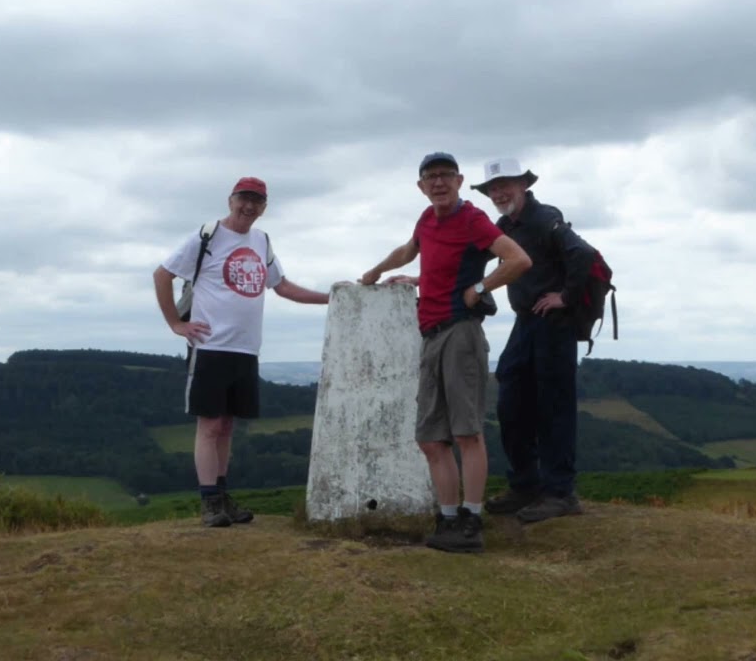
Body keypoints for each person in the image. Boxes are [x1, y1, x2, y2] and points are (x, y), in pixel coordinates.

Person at [360, 152, 531, 553]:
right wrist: (375, 272)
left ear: (459, 181)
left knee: (466, 431)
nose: (438, 183)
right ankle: (449, 517)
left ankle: (471, 519)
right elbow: (410, 249)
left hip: (460, 332)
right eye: (430, 177)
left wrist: (482, 289)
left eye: (445, 176)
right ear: (420, 186)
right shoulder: (426, 219)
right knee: (431, 438)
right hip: (432, 333)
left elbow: (518, 259)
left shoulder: (472, 219)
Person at [154, 177, 330, 527]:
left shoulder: (261, 240)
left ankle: (222, 497)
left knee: (227, 425)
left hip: (246, 349)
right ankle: (209, 503)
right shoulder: (207, 236)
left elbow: (282, 286)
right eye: (243, 199)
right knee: (210, 424)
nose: (249, 207)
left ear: (264, 207)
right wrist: (176, 324)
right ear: (230, 200)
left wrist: (333, 297)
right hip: (211, 346)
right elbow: (162, 274)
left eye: (257, 202)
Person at [472, 158, 595, 524]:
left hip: (553, 323)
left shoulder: (543, 218)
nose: (498, 193)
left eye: (505, 184)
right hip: (526, 322)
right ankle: (526, 484)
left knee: (553, 407)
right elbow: (472, 259)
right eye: (492, 188)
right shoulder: (504, 225)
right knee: (511, 401)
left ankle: (560, 493)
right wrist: (422, 278)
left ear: (524, 184)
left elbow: (583, 254)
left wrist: (566, 296)